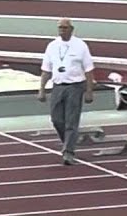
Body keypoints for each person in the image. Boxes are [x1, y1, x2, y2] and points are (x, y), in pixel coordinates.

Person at [37, 17, 95, 165]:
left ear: (71, 29)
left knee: (71, 121)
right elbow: (46, 70)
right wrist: (41, 89)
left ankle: (68, 152)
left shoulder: (80, 45)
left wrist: (89, 91)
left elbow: (89, 70)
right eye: (60, 28)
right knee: (56, 119)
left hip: (75, 86)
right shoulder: (52, 46)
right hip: (57, 86)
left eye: (64, 27)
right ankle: (68, 142)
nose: (62, 30)